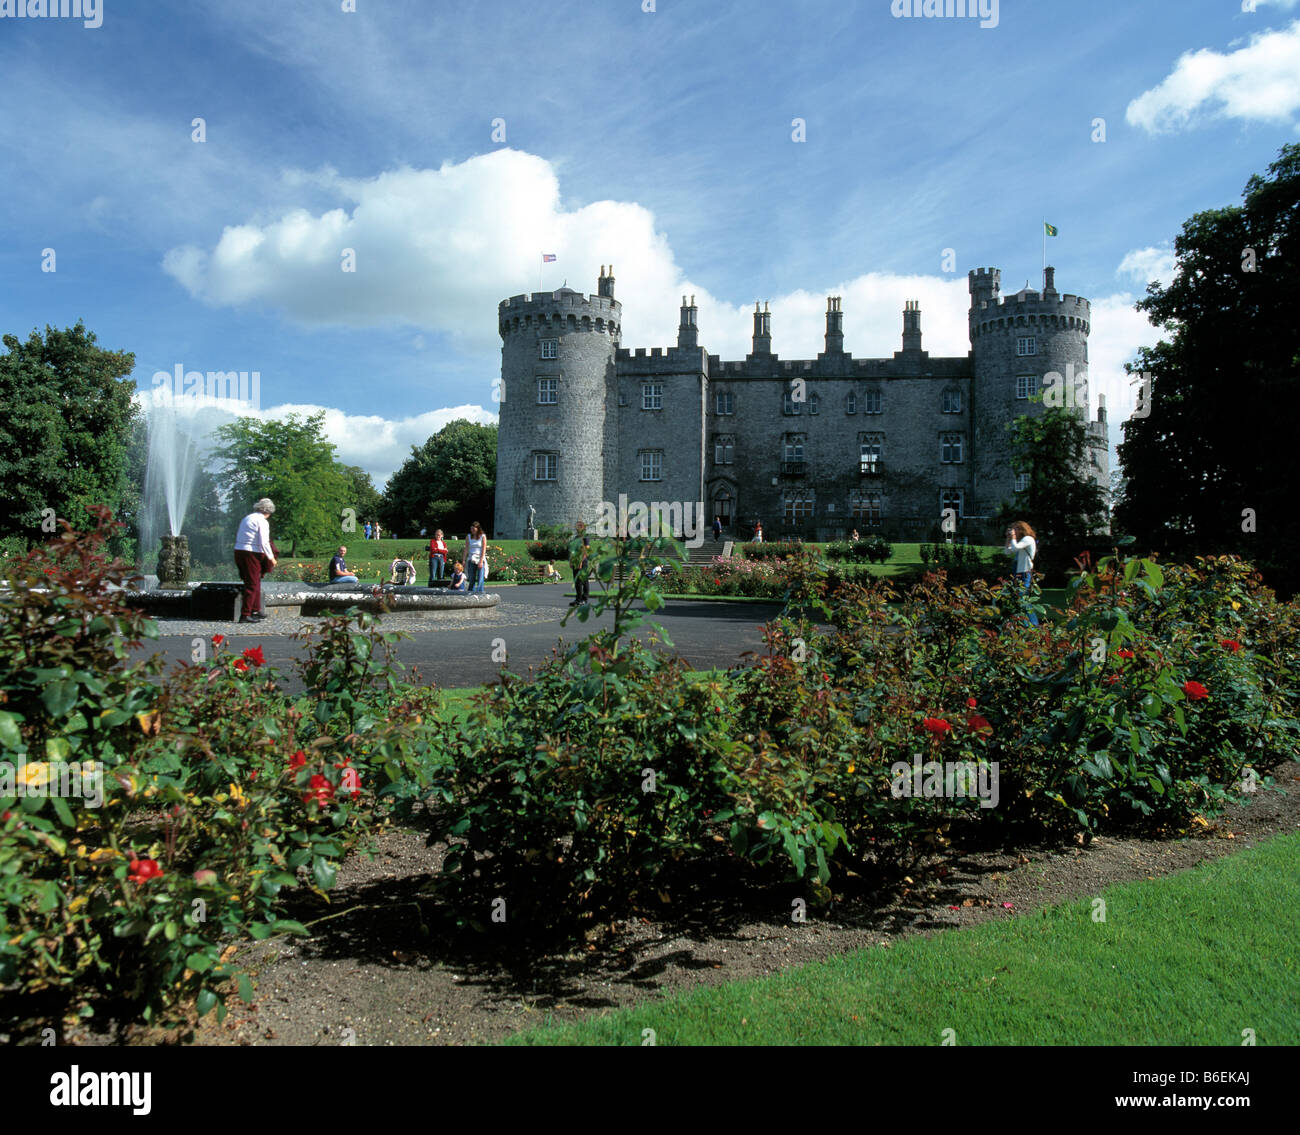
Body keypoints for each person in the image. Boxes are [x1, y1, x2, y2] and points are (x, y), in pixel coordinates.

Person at [233, 498, 276, 624]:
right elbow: (264, 542)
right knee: (252, 584)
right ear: (268, 511)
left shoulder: (248, 518)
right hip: (250, 553)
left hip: (239, 550)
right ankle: (245, 614)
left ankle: (255, 610)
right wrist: (271, 558)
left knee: (254, 581)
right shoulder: (261, 521)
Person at [1004, 520, 1040, 627]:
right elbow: (1007, 551)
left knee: (1022, 599)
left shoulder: (1028, 539)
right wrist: (1008, 539)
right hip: (1019, 573)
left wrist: (1013, 538)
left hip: (1025, 573)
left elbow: (1015, 548)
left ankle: (1033, 624)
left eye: (1016, 529)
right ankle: (1025, 624)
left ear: (1022, 529)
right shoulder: (1021, 541)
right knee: (1019, 599)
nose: (1014, 531)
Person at [570, 521, 591, 607]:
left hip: (582, 562)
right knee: (577, 581)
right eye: (577, 527)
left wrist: (581, 561)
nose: (577, 528)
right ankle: (578, 599)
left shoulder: (585, 538)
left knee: (582, 581)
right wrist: (570, 561)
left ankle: (584, 599)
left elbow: (586, 551)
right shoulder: (575, 538)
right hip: (575, 562)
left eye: (579, 526)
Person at [464, 521, 486, 591]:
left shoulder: (483, 536)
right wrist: (464, 560)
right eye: (471, 529)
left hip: (480, 558)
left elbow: (483, 549)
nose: (472, 530)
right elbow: (466, 548)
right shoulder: (468, 536)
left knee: (480, 578)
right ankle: (471, 593)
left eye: (474, 529)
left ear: (478, 529)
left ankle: (480, 592)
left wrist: (481, 561)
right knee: (471, 578)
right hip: (471, 558)